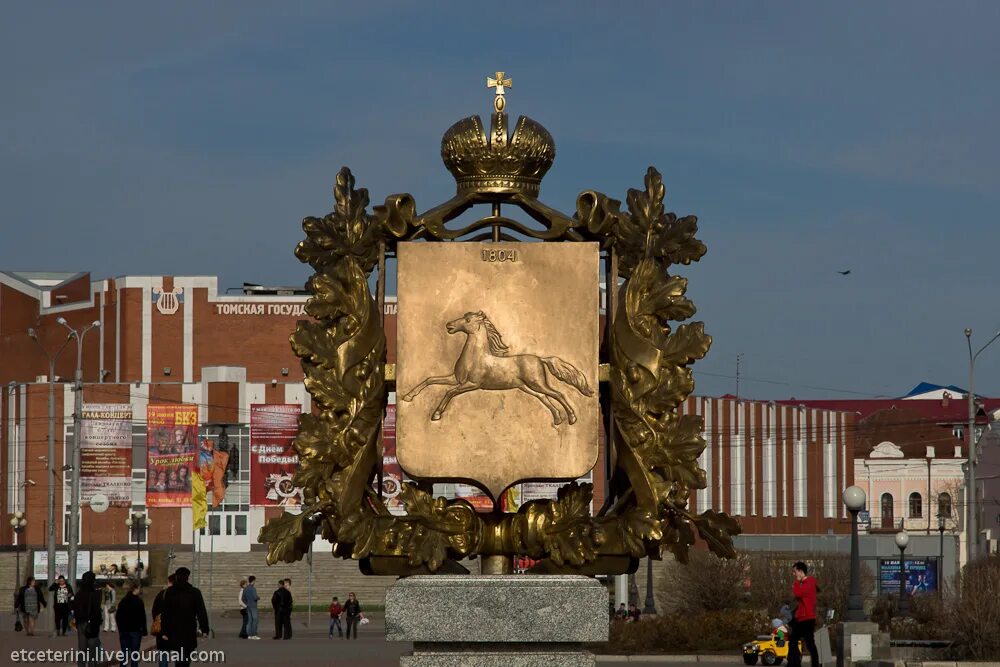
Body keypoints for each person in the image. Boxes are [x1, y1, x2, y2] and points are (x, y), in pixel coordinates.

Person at [160, 567, 210, 667]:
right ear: (187, 578)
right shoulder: (195, 592)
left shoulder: (170, 592)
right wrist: (204, 629)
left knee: (178, 657)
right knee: (186, 658)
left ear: (177, 577)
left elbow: (165, 613)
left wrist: (164, 631)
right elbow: (201, 612)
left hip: (174, 630)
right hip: (189, 629)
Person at [787, 561, 820, 667]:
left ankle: (798, 663)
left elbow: (798, 593)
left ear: (801, 571)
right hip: (801, 617)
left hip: (807, 618)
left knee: (808, 643)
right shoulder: (806, 583)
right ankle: (794, 663)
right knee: (795, 640)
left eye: (794, 571)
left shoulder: (809, 582)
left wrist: (796, 583)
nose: (793, 574)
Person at [72, 571, 105, 667]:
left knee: (82, 648)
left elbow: (74, 607)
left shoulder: (79, 593)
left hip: (81, 623)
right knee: (92, 648)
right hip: (92, 624)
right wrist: (99, 621)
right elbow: (96, 609)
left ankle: (81, 665)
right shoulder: (94, 593)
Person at [115, 581, 147, 667]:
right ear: (135, 589)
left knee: (124, 652)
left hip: (124, 630)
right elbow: (142, 617)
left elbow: (118, 616)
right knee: (134, 653)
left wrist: (120, 628)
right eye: (139, 588)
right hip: (135, 630)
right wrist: (144, 631)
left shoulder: (123, 601)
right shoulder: (139, 601)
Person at [151, 574, 174, 667]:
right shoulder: (180, 594)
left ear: (169, 582)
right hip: (176, 630)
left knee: (163, 654)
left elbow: (154, 611)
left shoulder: (162, 594)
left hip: (162, 629)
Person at [244, 576, 260, 640]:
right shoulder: (253, 589)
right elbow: (255, 597)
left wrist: (247, 603)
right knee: (255, 620)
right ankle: (254, 635)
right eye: (255, 581)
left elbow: (244, 598)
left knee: (249, 621)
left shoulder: (246, 589)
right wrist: (258, 597)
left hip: (248, 606)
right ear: (253, 581)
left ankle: (249, 635)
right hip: (253, 606)